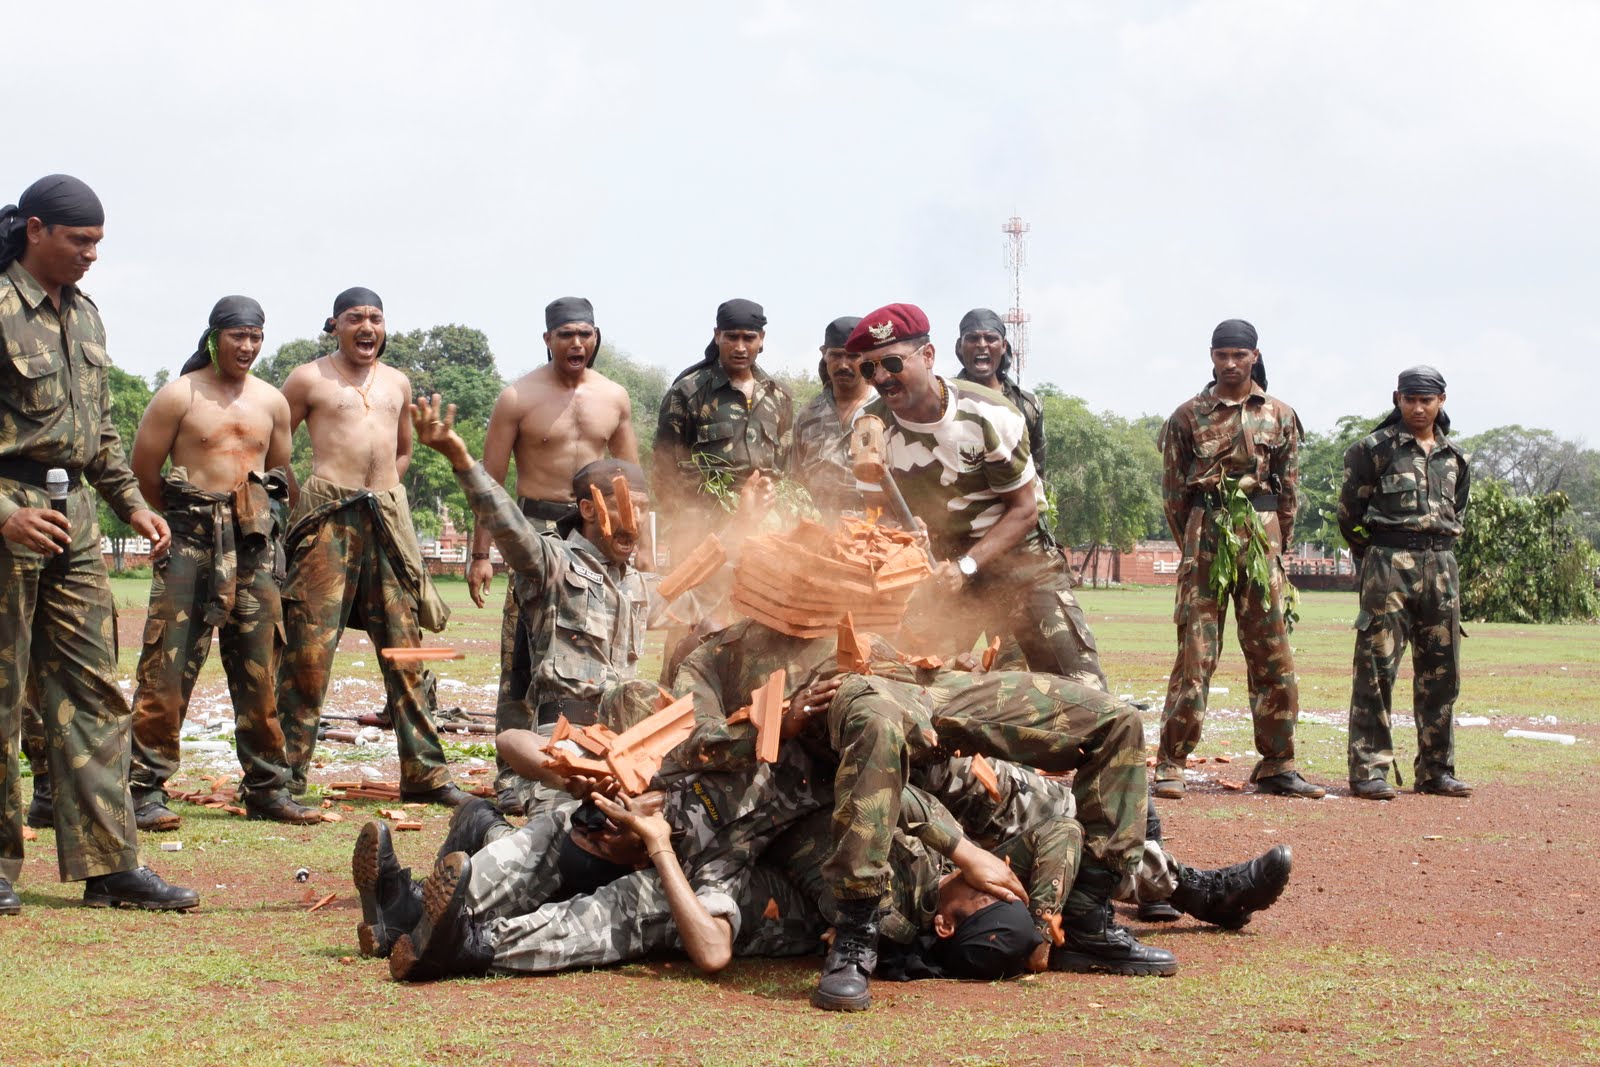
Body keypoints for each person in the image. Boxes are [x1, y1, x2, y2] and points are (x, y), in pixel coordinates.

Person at [0, 174, 197, 912]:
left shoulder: (85, 317)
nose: (91, 256)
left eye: (98, 244)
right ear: (37, 229)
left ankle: (109, 865)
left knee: (92, 688)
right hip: (10, 509)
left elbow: (101, 430)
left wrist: (133, 504)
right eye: (80, 241)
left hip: (74, 511)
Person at [123, 297, 319, 831]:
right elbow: (143, 473)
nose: (248, 347)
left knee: (260, 670)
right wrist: (173, 524)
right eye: (238, 336)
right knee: (166, 668)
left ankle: (267, 788)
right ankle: (143, 789)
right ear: (214, 337)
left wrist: (285, 535)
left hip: (254, 547)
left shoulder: (272, 401)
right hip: (189, 545)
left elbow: (282, 476)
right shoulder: (178, 396)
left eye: (256, 336)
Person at [844, 303, 1106, 690]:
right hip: (939, 568)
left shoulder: (990, 415)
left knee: (1082, 687)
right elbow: (876, 517)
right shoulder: (870, 425)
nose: (882, 377)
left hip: (1016, 559)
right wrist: (904, 536)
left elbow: (1024, 510)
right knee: (914, 685)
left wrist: (967, 566)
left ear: (928, 356)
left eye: (893, 363)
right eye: (870, 368)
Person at [275, 288, 467, 806]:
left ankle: (425, 775)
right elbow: (278, 449)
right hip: (325, 522)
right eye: (356, 318)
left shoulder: (397, 383)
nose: (367, 327)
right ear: (334, 325)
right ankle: (285, 780)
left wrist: (382, 488)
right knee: (308, 651)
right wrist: (308, 499)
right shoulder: (307, 378)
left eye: (376, 318)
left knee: (406, 647)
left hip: (385, 517)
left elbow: (403, 450)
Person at [467, 297, 638, 814]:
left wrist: (641, 550)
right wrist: (481, 553)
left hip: (597, 532)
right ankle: (513, 774)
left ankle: (585, 759)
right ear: (547, 339)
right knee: (521, 654)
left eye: (585, 334)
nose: (577, 343)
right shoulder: (518, 397)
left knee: (596, 656)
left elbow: (632, 480)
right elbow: (489, 482)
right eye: (565, 334)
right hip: (534, 529)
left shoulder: (614, 397)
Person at [1153, 319, 1323, 800]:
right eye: (1222, 354)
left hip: (1261, 535)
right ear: (1211, 356)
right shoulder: (1187, 415)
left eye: (1239, 355)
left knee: (1272, 651)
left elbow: (1288, 490)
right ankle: (1171, 762)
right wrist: (1194, 541)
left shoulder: (1281, 415)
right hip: (1206, 533)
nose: (1230, 363)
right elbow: (1172, 494)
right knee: (1196, 653)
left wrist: (1275, 544)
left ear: (1254, 356)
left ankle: (1278, 763)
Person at [1338, 366, 1473, 799]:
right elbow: (1349, 515)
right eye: (1410, 399)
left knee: (1442, 671)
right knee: (1376, 669)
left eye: (1426, 400)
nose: (1418, 407)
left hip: (1442, 566)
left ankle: (1436, 770)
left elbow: (1459, 514)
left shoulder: (1456, 457)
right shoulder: (1372, 450)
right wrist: (1377, 553)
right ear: (1397, 399)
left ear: (1441, 402)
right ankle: (1369, 770)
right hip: (1388, 565)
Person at [653, 298, 793, 557]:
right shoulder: (687, 393)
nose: (740, 347)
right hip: (703, 536)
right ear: (717, 336)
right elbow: (664, 474)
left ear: (761, 339)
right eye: (731, 337)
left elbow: (783, 467)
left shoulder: (778, 396)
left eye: (748, 338)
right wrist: (681, 529)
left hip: (764, 536)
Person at [952, 308, 1046, 472]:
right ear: (960, 346)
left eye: (990, 338)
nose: (982, 345)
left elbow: (1037, 472)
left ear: (1003, 346)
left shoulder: (1028, 406)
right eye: (973, 338)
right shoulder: (945, 399)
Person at [792, 315, 867, 518]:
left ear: (867, 356)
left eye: (853, 356)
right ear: (824, 354)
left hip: (873, 532)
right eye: (835, 355)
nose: (843, 365)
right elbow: (795, 484)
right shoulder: (807, 415)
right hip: (817, 530)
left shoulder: (884, 410)